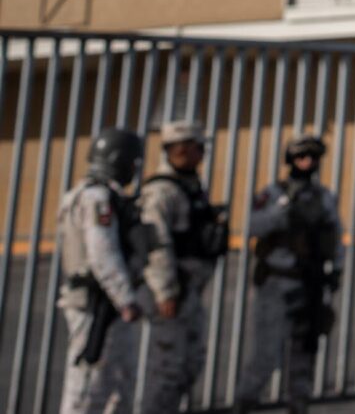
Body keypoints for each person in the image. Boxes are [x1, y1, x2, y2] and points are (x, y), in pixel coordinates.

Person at [237, 135, 340, 414]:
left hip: (310, 284)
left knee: (304, 352)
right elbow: (253, 226)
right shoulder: (273, 194)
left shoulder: (324, 197)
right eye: (301, 157)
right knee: (265, 352)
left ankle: (298, 405)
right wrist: (283, 209)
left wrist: (335, 273)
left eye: (313, 157)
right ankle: (246, 402)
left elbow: (334, 237)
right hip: (276, 283)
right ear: (290, 160)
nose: (307, 162)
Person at [137, 120, 227, 414]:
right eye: (185, 148)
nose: (193, 153)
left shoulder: (191, 187)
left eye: (197, 148)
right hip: (172, 292)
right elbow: (155, 243)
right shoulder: (162, 190)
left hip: (188, 291)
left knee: (192, 361)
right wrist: (165, 290)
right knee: (168, 369)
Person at [56, 128, 145, 414]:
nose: (134, 169)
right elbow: (102, 253)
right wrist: (125, 299)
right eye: (132, 162)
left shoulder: (96, 194)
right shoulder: (97, 198)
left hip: (106, 301)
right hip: (97, 303)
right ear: (118, 160)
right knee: (88, 387)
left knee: (116, 382)